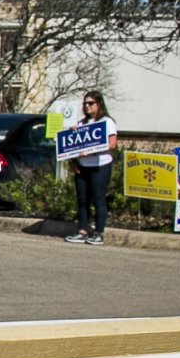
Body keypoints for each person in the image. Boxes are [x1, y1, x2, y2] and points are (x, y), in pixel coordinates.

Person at [66, 90, 114, 246]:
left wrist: (92, 151)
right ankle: (82, 232)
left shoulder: (107, 122)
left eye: (91, 103)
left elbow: (112, 144)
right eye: (85, 103)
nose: (87, 106)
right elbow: (71, 146)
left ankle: (98, 233)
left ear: (99, 104)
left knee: (98, 199)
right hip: (82, 167)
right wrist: (72, 160)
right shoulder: (81, 124)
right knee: (82, 200)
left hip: (100, 166)